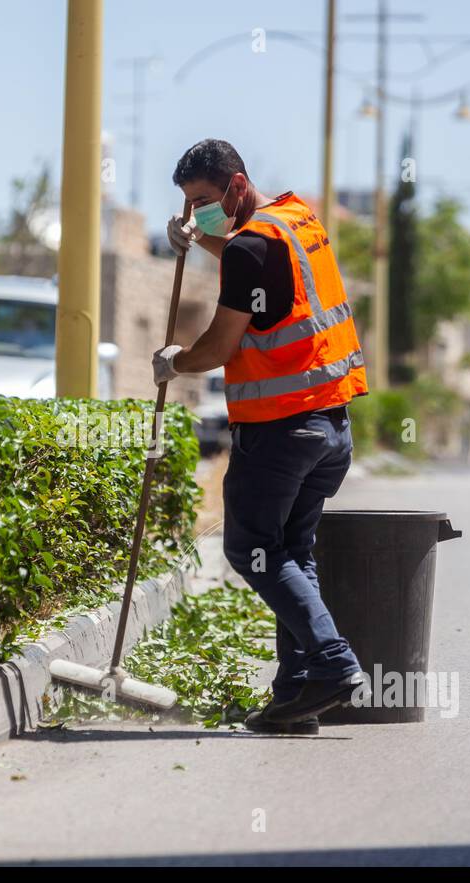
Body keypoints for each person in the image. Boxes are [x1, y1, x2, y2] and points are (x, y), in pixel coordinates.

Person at [153, 138, 371, 733]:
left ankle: (331, 663)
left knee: (250, 550)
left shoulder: (250, 246)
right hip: (330, 427)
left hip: (279, 432)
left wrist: (175, 361)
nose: (195, 213)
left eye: (203, 201)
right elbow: (260, 271)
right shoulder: (298, 220)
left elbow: (220, 346)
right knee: (292, 555)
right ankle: (295, 694)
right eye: (190, 206)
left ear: (237, 186)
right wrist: (200, 240)